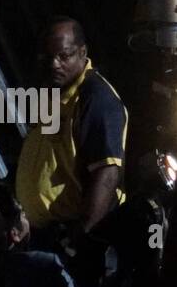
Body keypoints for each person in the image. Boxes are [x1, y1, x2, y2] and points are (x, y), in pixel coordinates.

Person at [15, 17, 128, 239]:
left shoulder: (96, 99)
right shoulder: (52, 92)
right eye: (48, 57)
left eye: (64, 56)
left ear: (82, 52)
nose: (54, 64)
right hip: (41, 233)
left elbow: (107, 174)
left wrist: (79, 240)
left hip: (68, 235)